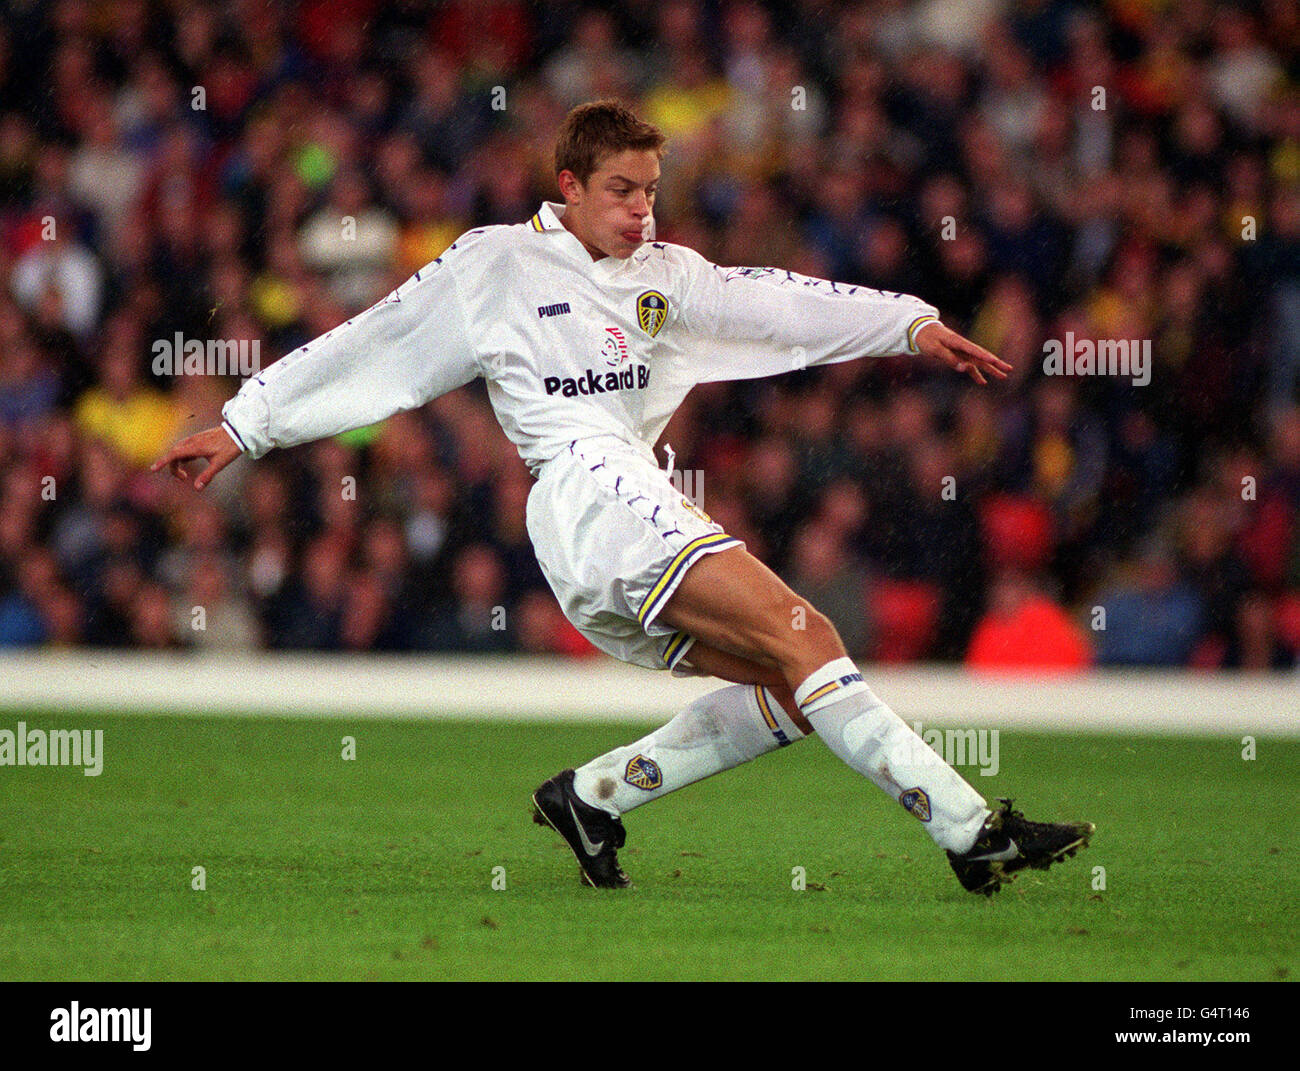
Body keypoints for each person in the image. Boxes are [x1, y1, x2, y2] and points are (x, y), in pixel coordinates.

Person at [153, 99, 1093, 895]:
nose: (643, 210)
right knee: (810, 638)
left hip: (615, 510)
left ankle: (595, 794)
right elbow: (377, 340)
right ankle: (972, 834)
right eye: (621, 190)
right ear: (568, 183)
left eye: (651, 190)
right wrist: (247, 423)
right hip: (584, 492)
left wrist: (909, 324)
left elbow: (781, 302)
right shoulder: (494, 265)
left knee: (793, 681)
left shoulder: (668, 278)